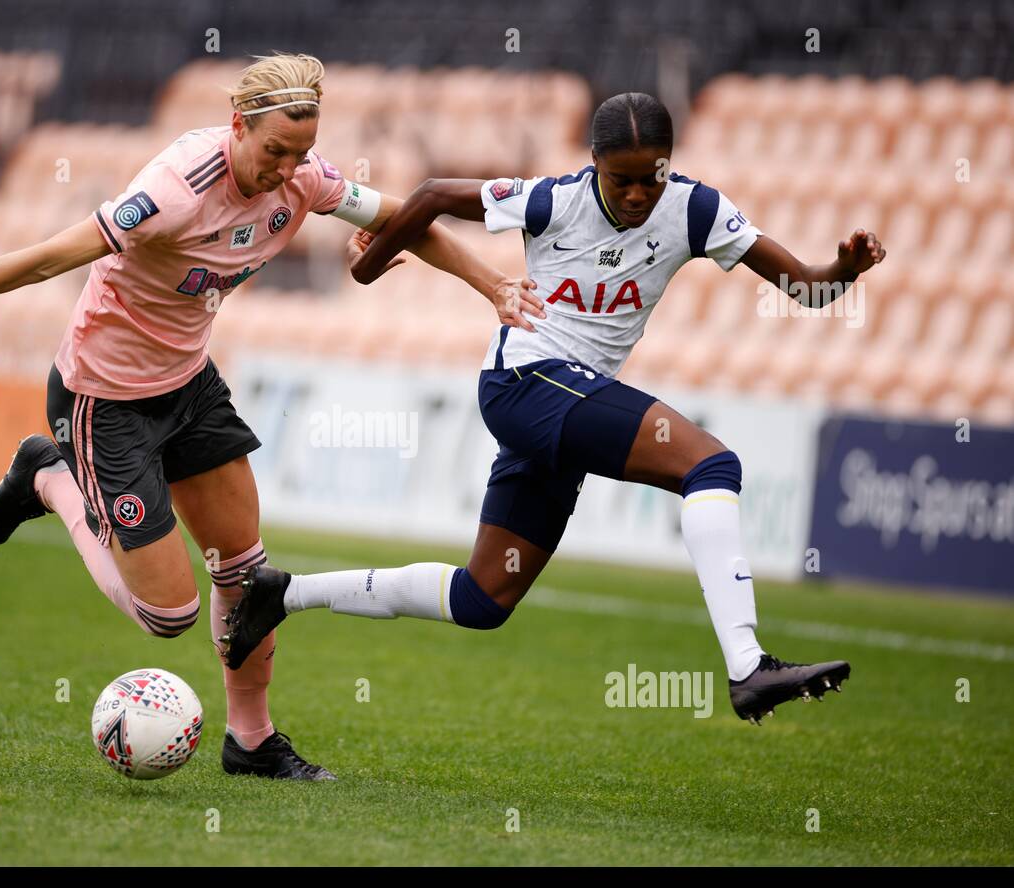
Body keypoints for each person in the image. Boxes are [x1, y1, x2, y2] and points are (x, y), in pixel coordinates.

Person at [0, 52, 544, 776]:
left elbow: (408, 218)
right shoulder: (174, 190)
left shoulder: (304, 179)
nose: (287, 169)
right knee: (168, 616)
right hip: (104, 397)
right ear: (237, 126)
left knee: (243, 572)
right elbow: (49, 258)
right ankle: (48, 476)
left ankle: (250, 741)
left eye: (300, 153)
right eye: (274, 150)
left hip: (188, 385)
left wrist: (492, 284)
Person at [222, 92, 887, 726]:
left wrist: (845, 268)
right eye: (620, 179)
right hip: (524, 382)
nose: (635, 195)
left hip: (564, 407)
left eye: (649, 179)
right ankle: (748, 665)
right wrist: (368, 268)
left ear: (671, 164)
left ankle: (283, 594)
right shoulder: (554, 199)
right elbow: (431, 197)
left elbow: (807, 289)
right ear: (594, 164)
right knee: (712, 465)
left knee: (482, 599)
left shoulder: (695, 210)